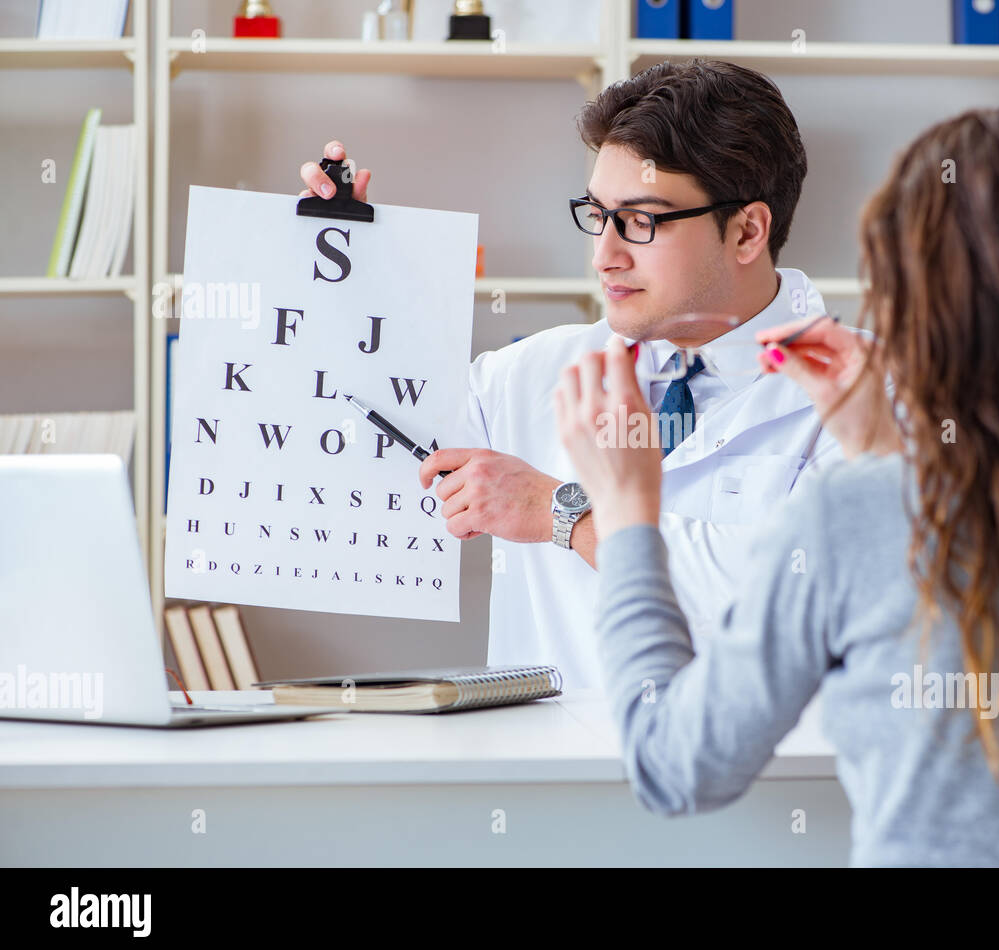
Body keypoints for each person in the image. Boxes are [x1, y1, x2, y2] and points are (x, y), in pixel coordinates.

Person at [554, 106, 999, 866]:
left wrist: (624, 510)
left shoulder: (854, 518)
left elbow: (673, 767)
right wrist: (880, 448)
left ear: (924, 302)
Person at [299, 60, 848, 688]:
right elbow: (350, 429)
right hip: (541, 781)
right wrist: (341, 273)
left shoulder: (873, 397)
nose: (603, 254)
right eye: (597, 213)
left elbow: (799, 605)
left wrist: (562, 514)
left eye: (641, 221)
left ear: (748, 230)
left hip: (764, 785)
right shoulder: (529, 376)